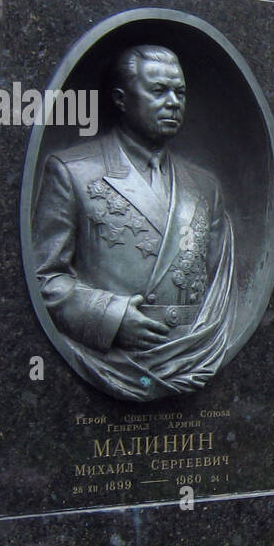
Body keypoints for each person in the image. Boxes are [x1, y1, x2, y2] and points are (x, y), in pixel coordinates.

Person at [31, 45, 238, 401]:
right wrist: (110, 318)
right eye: (158, 91)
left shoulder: (205, 186)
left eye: (180, 92)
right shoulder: (73, 172)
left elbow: (221, 285)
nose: (173, 102)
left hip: (190, 356)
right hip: (115, 361)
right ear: (121, 99)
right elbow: (44, 278)